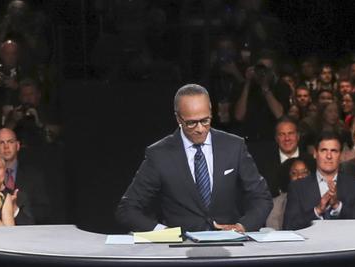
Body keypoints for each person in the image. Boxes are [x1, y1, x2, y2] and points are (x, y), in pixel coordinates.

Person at [115, 84, 272, 233]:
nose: (200, 129)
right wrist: (164, 232)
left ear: (211, 112)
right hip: (180, 251)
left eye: (205, 120)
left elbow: (262, 197)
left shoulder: (234, 146)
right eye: (191, 123)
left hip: (229, 246)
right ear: (178, 119)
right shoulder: (159, 154)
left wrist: (242, 226)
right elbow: (127, 209)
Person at [282, 131, 355, 230]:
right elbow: (288, 226)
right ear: (315, 154)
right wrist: (317, 210)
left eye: (334, 151)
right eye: (324, 150)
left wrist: (337, 206)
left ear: (340, 155)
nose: (329, 156)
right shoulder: (297, 187)